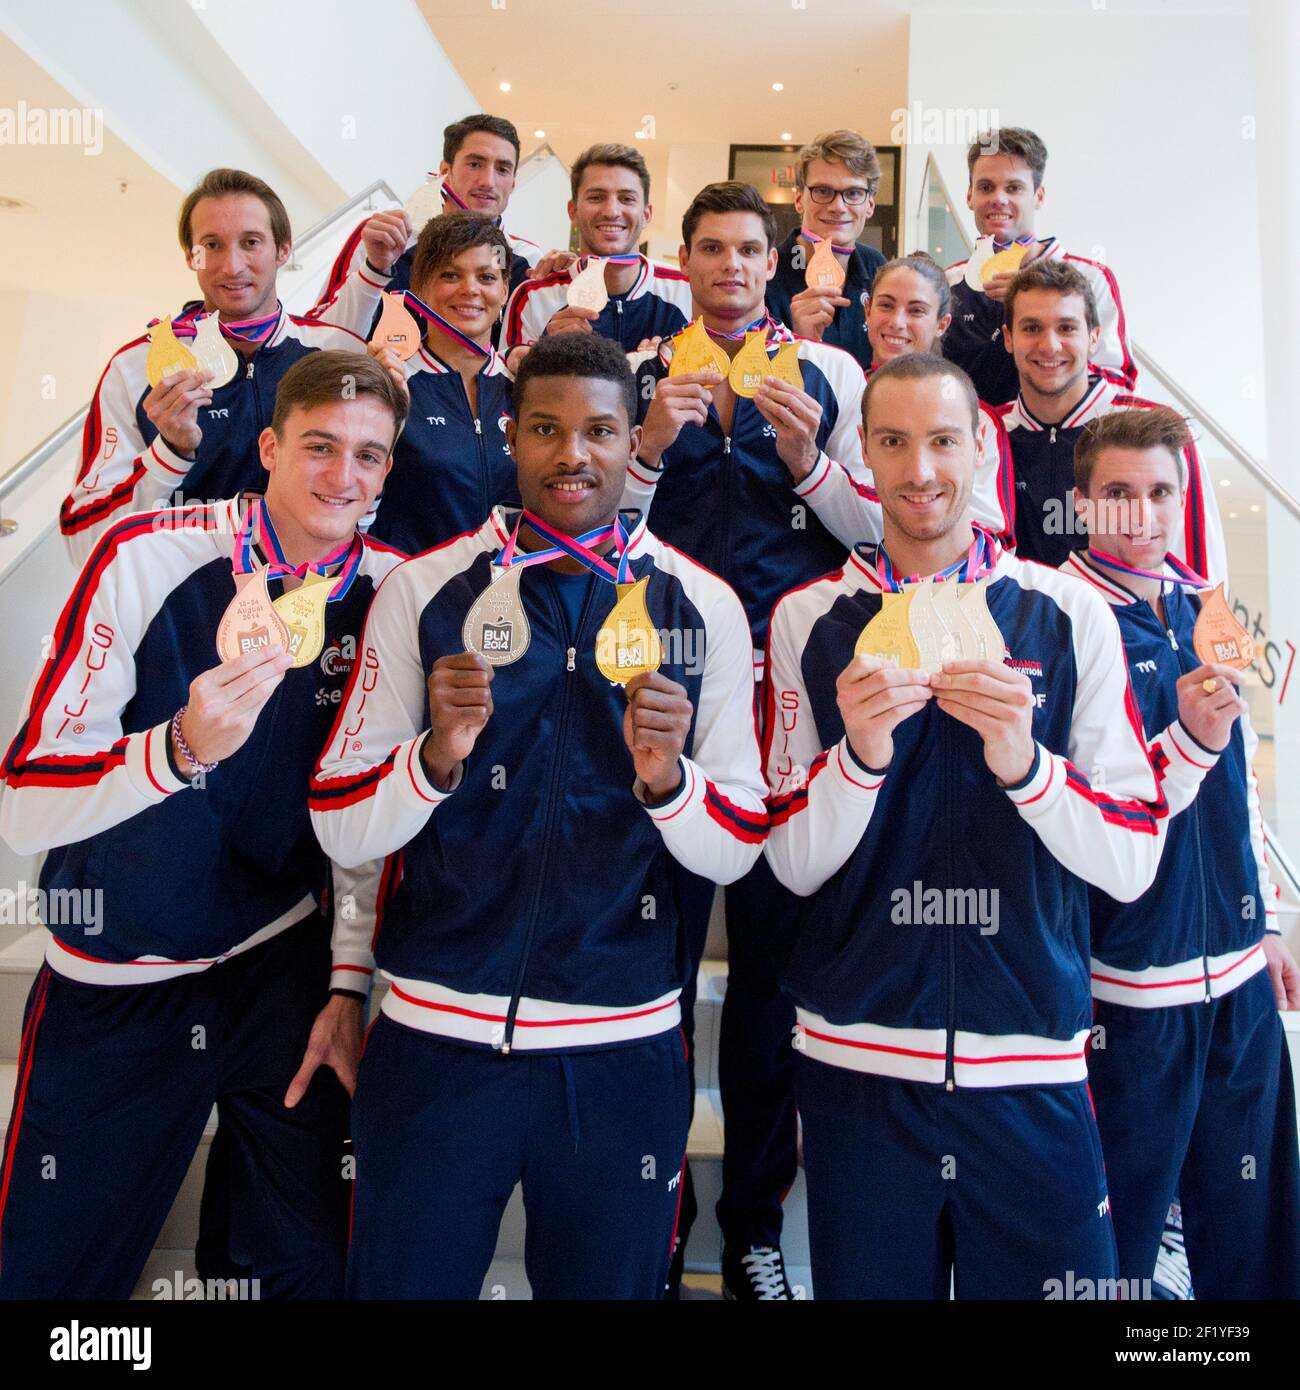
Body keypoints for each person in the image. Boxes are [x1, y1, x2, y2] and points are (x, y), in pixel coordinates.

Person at [309, 333, 766, 1300]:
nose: (575, 456)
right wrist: (434, 759)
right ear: (510, 436)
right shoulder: (424, 588)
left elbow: (733, 849)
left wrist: (669, 781)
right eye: (548, 430)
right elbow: (343, 826)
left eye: (602, 431)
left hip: (621, 1047)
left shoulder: (705, 607)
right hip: (436, 1038)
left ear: (631, 436)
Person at [763, 351, 1185, 1299]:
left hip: (1030, 1067)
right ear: (862, 454)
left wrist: (1025, 766)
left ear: (982, 450)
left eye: (944, 441)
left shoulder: (1068, 612)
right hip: (858, 1065)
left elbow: (1130, 859)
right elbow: (789, 861)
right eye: (895, 442)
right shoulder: (809, 619)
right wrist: (859, 756)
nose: (919, 472)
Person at [0, 352, 409, 1300]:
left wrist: (346, 980)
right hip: (121, 969)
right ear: (266, 446)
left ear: (389, 472)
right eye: (317, 446)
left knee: (316, 1261)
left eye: (368, 455)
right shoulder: (145, 553)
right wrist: (175, 749)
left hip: (278, 964)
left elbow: (360, 810)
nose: (341, 476)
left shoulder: (393, 588)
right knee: (52, 1277)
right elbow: (25, 806)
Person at [628, 180, 869, 1298]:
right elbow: (590, 523)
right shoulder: (640, 369)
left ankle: (755, 1227)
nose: (730, 266)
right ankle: (649, 1217)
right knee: (653, 974)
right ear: (682, 259)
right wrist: (643, 448)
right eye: (711, 248)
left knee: (769, 983)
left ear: (777, 263)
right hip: (655, 703)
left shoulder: (831, 374)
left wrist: (814, 462)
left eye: (748, 250)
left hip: (787, 711)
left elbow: (884, 528)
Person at [1062, 406, 1300, 1298]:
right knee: (1115, 1246)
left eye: (1162, 492)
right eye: (1119, 495)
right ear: (1082, 503)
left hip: (1237, 979)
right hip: (1127, 990)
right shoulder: (1057, 616)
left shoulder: (1205, 603)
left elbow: (1237, 781)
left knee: (1256, 1233)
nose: (1144, 516)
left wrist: (1266, 922)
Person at [60, 169, 365, 565]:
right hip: (182, 608)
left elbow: (376, 500)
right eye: (211, 245)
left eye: (251, 242)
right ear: (191, 256)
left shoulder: (338, 353)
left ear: (284, 249)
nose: (232, 266)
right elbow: (85, 540)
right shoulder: (136, 367)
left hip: (317, 602)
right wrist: (169, 452)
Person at [997, 258, 1224, 578]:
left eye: (1066, 327)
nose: (1049, 345)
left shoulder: (1153, 427)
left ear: (1093, 338)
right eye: (1032, 328)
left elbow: (1201, 574)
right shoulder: (987, 433)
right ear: (1008, 338)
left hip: (1128, 627)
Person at [358, 211, 518, 556]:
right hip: (411, 594)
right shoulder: (391, 383)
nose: (470, 289)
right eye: (450, 275)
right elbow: (353, 512)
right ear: (421, 289)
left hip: (509, 596)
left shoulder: (526, 387)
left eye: (487, 277)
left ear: (504, 290)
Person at [943, 126, 1135, 407]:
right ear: (970, 196)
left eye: (1014, 187)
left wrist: (1037, 300)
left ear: (1039, 196)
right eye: (986, 187)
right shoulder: (947, 283)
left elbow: (1121, 385)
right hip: (971, 445)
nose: (999, 198)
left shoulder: (1091, 279)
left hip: (1064, 447)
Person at [313, 113, 542, 338]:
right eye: (474, 164)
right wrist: (373, 272)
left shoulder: (530, 261)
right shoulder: (386, 237)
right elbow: (323, 341)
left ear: (512, 183)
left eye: (502, 169)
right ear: (445, 171)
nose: (488, 182)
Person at [865, 253, 1012, 542]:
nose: (897, 322)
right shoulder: (837, 391)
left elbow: (992, 535)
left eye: (916, 310)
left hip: (952, 585)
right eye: (886, 305)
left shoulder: (976, 417)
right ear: (867, 310)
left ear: (942, 324)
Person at [501, 143, 692, 357]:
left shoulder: (687, 290)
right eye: (596, 197)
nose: (611, 211)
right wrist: (546, 356)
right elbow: (508, 387)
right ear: (573, 211)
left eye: (627, 199)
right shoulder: (534, 298)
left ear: (647, 214)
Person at [764, 130, 887, 371]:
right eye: (822, 191)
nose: (838, 207)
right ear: (799, 199)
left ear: (869, 205)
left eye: (853, 193)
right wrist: (801, 343)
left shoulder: (878, 269)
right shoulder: (766, 276)